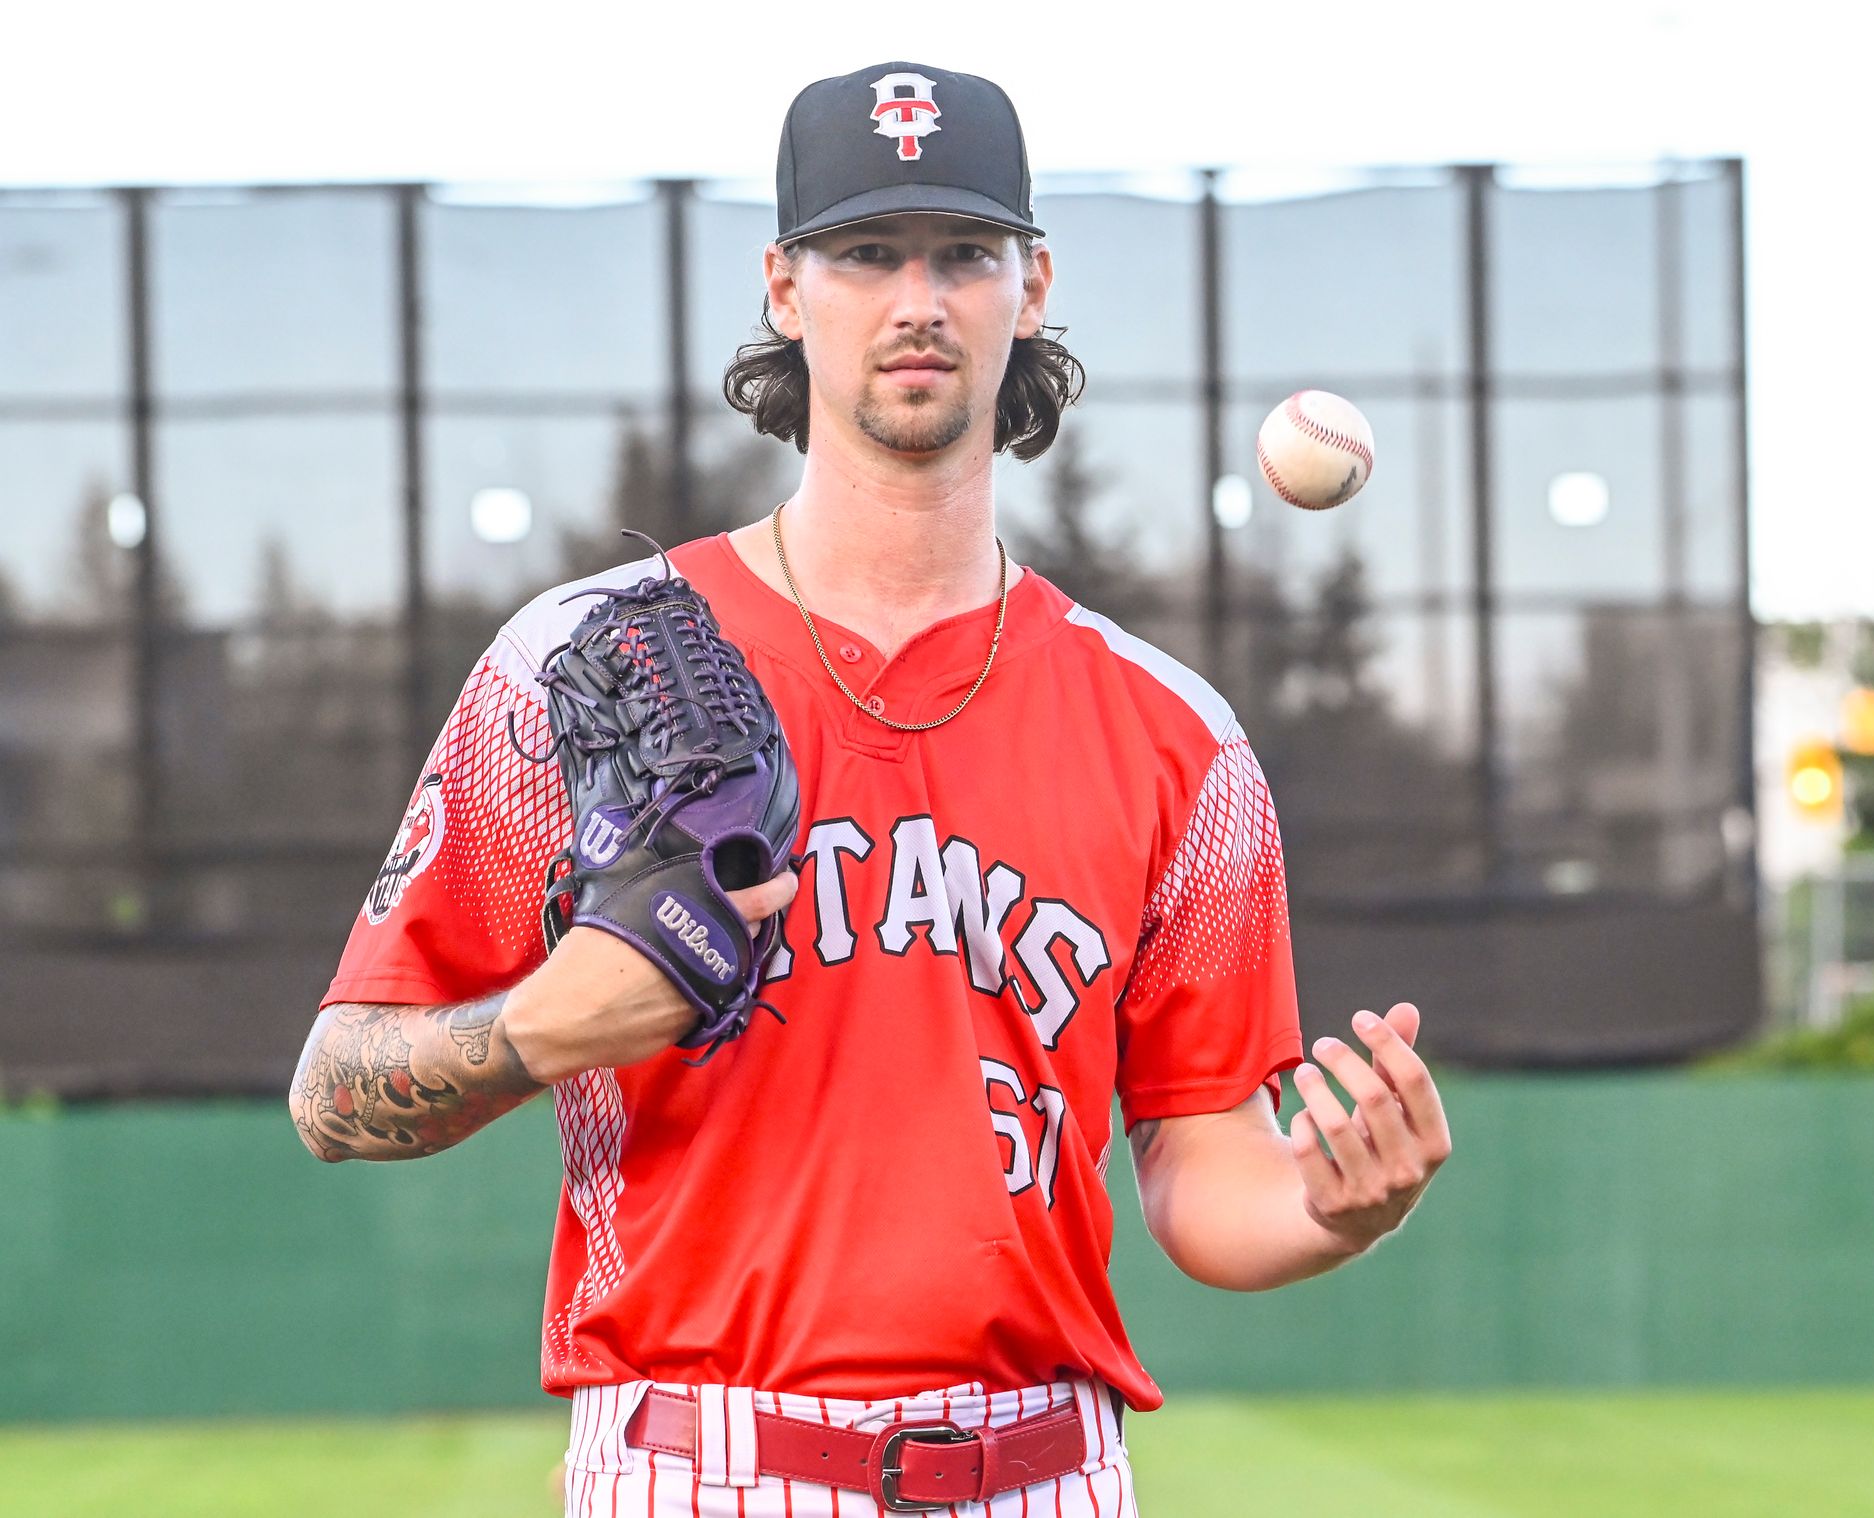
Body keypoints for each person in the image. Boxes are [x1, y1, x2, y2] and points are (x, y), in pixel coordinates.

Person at [289, 60, 1451, 1517]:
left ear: (1031, 285)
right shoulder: (588, 665)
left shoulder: (1178, 740)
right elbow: (334, 1091)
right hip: (694, 1459)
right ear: (785, 285)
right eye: (865, 252)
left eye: (964, 252)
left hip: (1042, 1466)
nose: (918, 299)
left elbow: (1201, 1169)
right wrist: (544, 1026)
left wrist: (1330, 1204)